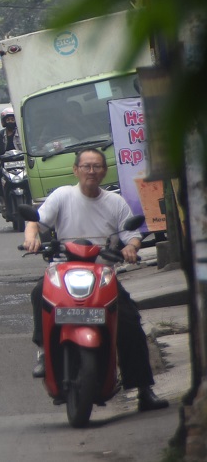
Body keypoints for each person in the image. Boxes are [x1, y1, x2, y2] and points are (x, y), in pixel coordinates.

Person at [22, 147, 168, 412]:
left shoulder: (115, 202)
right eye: (86, 166)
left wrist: (131, 247)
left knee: (128, 320)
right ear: (76, 170)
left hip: (102, 274)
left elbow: (130, 233)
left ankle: (144, 389)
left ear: (104, 171)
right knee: (37, 294)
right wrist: (31, 237)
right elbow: (36, 222)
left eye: (97, 166)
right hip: (63, 269)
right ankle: (44, 352)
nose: (91, 171)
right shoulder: (62, 195)